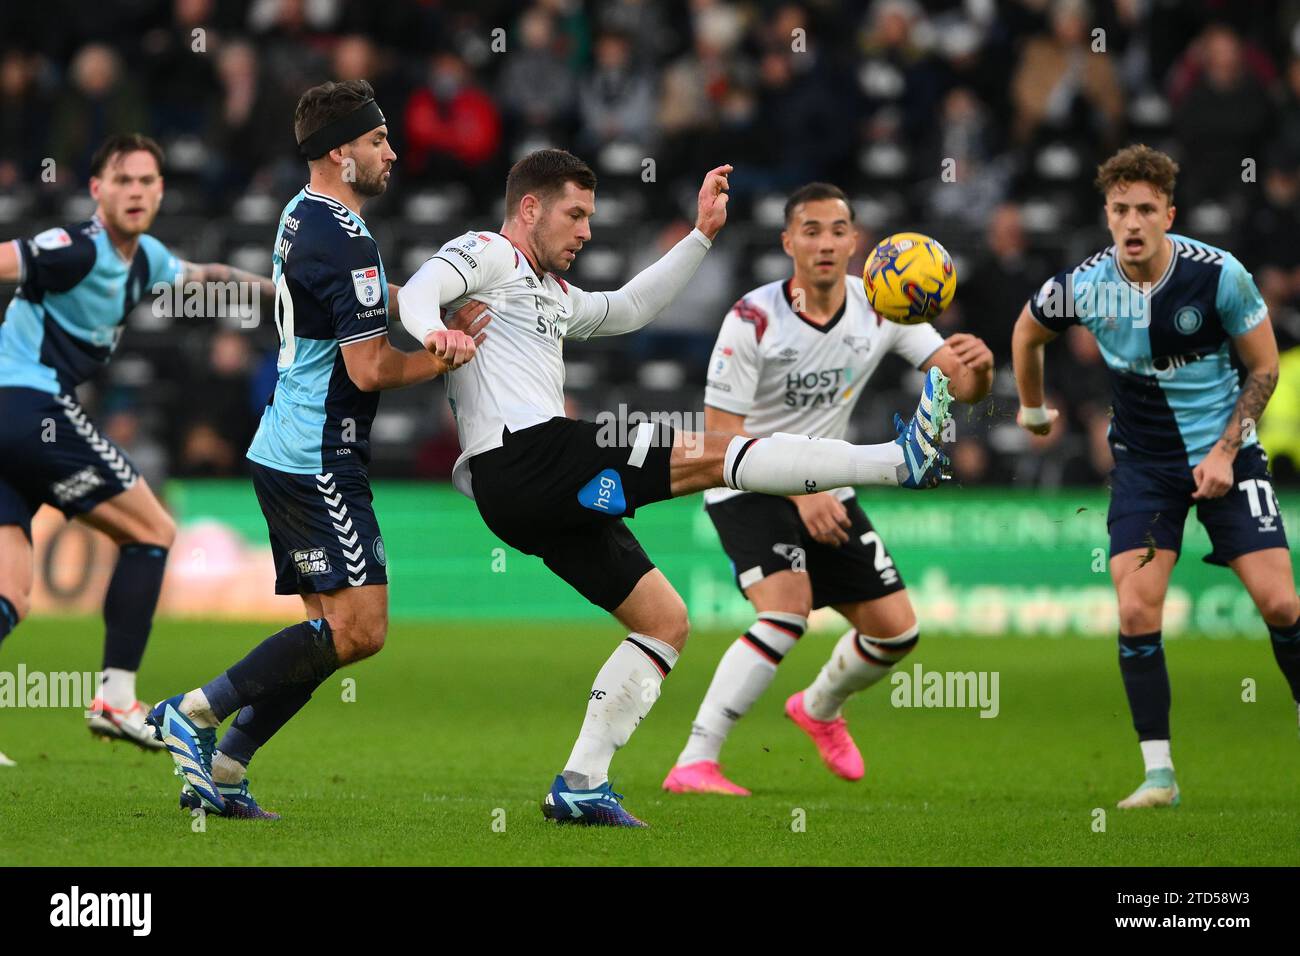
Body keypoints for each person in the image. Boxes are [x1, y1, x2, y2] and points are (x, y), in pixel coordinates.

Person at [397, 149, 954, 827]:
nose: (587, 232)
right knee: (715, 451)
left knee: (665, 622)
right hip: (528, 455)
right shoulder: (488, 251)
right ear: (530, 208)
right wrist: (433, 333)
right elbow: (423, 287)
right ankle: (898, 463)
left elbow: (630, 309)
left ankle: (580, 783)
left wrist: (701, 236)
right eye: (575, 215)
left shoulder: (550, 293)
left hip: (526, 493)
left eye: (591, 218)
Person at [146, 80, 487, 818]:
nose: (391, 153)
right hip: (318, 455)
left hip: (285, 447)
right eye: (377, 140)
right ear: (342, 152)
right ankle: (195, 713)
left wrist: (418, 307)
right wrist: (447, 354)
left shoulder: (302, 214)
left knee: (323, 633)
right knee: (360, 632)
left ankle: (229, 773)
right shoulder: (350, 236)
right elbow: (370, 369)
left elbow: (347, 295)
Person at [663, 182, 993, 795]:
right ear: (788, 242)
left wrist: (981, 369)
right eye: (810, 230)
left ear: (856, 242)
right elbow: (720, 437)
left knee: (894, 632)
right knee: (786, 611)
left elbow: (960, 385)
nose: (824, 242)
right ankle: (695, 761)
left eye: (837, 230)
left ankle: (816, 708)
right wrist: (799, 489)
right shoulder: (752, 319)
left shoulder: (884, 306)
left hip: (828, 485)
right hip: (745, 482)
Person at [1010, 144, 1299, 809]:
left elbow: (1265, 368)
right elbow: (1027, 333)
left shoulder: (1220, 275)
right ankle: (1159, 776)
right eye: (1120, 210)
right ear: (1106, 216)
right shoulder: (1085, 284)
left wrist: (1226, 451)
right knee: (1137, 607)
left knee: (1282, 604)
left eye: (1146, 209)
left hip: (1229, 452)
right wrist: (1030, 407)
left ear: (1170, 213)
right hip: (1143, 464)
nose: (1133, 222)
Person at [0, 134, 275, 761]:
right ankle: (117, 699)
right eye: (122, 180)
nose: (136, 191)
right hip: (25, 408)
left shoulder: (146, 259)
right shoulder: (75, 248)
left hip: (11, 423)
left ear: (160, 192)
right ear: (97, 190)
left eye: (148, 181)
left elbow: (210, 277)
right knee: (151, 529)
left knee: (11, 591)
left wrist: (283, 291)